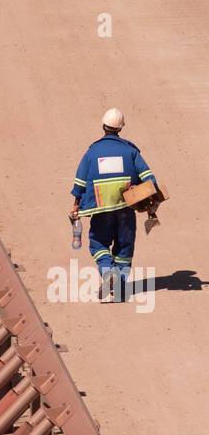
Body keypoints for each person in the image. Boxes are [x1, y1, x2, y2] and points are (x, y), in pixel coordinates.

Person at [70, 108, 157, 301]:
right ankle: (119, 286)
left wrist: (76, 204)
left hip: (100, 209)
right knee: (125, 245)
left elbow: (80, 182)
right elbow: (148, 176)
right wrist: (154, 199)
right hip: (126, 207)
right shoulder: (130, 150)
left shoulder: (92, 152)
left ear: (103, 126)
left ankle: (108, 272)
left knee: (99, 242)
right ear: (121, 128)